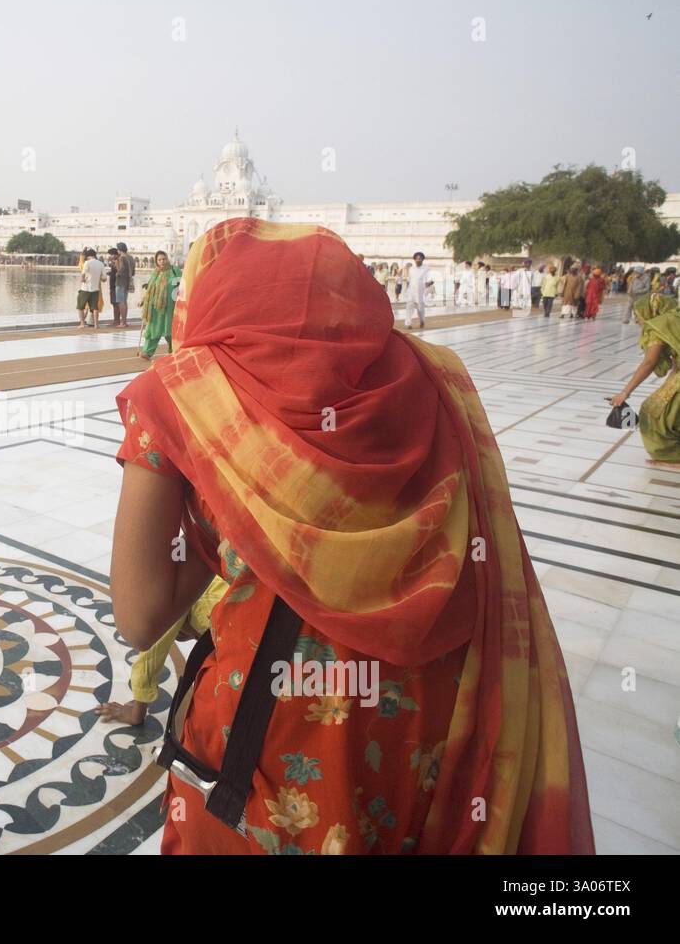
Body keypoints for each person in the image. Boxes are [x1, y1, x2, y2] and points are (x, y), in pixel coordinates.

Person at [110, 217, 593, 855]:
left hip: (273, 727)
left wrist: (226, 518)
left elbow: (140, 615)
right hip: (428, 718)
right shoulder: (432, 374)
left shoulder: (183, 394)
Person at [96, 577, 229, 726]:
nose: (181, 638)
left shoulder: (172, 597)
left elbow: (150, 657)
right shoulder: (204, 574)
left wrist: (136, 713)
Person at [610, 293, 680, 465]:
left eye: (638, 315)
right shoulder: (675, 318)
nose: (637, 320)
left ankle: (672, 456)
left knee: (652, 412)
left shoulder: (659, 325)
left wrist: (625, 392)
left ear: (650, 311)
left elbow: (649, 362)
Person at [137, 250, 180, 359]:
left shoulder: (175, 271)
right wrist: (143, 300)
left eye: (164, 259)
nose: (162, 262)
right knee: (152, 329)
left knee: (170, 331)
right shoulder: (155, 273)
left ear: (167, 259)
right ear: (156, 261)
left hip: (170, 306)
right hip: (155, 307)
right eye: (159, 260)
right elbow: (150, 289)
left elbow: (182, 286)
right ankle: (147, 352)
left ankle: (173, 350)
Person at [76, 248, 107, 329]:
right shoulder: (101, 264)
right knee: (95, 307)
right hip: (95, 289)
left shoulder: (87, 263)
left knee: (80, 306)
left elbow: (83, 273)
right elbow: (104, 278)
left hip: (85, 289)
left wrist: (82, 279)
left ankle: (82, 323)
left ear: (88, 256)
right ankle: (96, 325)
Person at [403, 251, 434, 330]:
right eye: (416, 259)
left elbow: (431, 279)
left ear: (422, 260)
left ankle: (422, 321)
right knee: (409, 306)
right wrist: (406, 290)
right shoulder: (411, 269)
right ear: (414, 260)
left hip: (421, 292)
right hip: (411, 291)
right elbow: (409, 280)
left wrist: (428, 283)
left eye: (419, 259)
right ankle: (408, 323)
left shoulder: (427, 269)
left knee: (420, 309)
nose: (418, 260)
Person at [113, 241, 136, 327]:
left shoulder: (121, 257)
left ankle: (122, 322)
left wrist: (117, 273)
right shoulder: (131, 257)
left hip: (120, 282)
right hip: (127, 282)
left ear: (119, 249)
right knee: (124, 301)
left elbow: (121, 268)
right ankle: (124, 322)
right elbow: (133, 272)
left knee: (120, 302)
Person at [105, 248, 120, 325]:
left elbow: (119, 272)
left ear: (115, 254)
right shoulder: (116, 261)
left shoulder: (117, 261)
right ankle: (116, 320)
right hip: (113, 284)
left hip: (115, 285)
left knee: (115, 303)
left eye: (111, 254)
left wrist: (113, 263)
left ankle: (116, 321)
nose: (111, 256)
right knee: (115, 303)